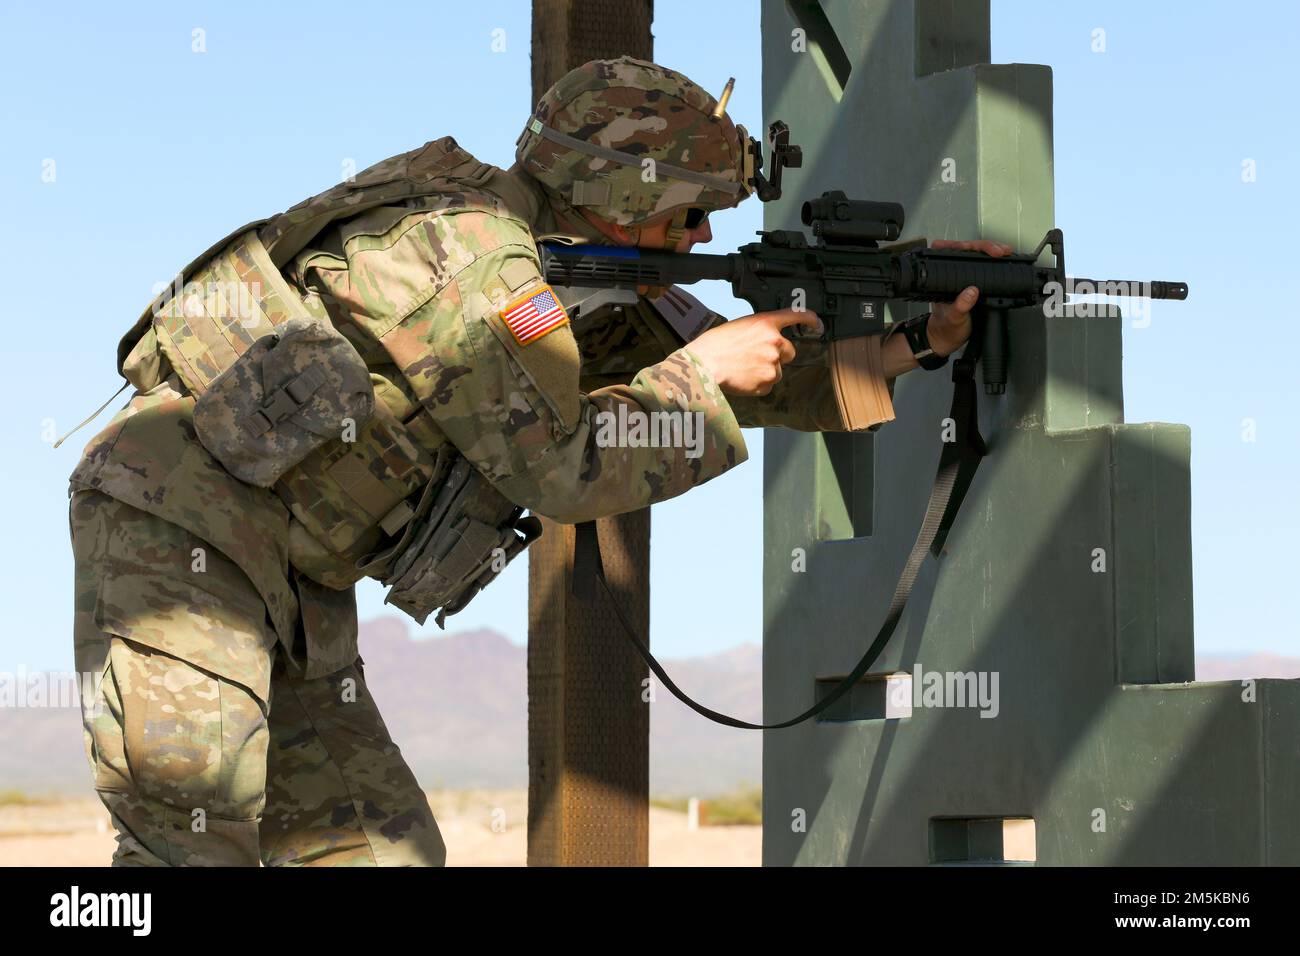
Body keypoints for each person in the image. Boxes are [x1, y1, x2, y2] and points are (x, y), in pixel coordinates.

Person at [68, 55, 1007, 866]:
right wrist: (701, 378)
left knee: (376, 852)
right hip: (182, 538)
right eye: (689, 213)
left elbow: (706, 372)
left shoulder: (562, 267)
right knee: (192, 836)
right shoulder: (474, 260)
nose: (703, 238)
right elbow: (562, 469)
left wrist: (910, 344)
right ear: (626, 195)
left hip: (293, 577)